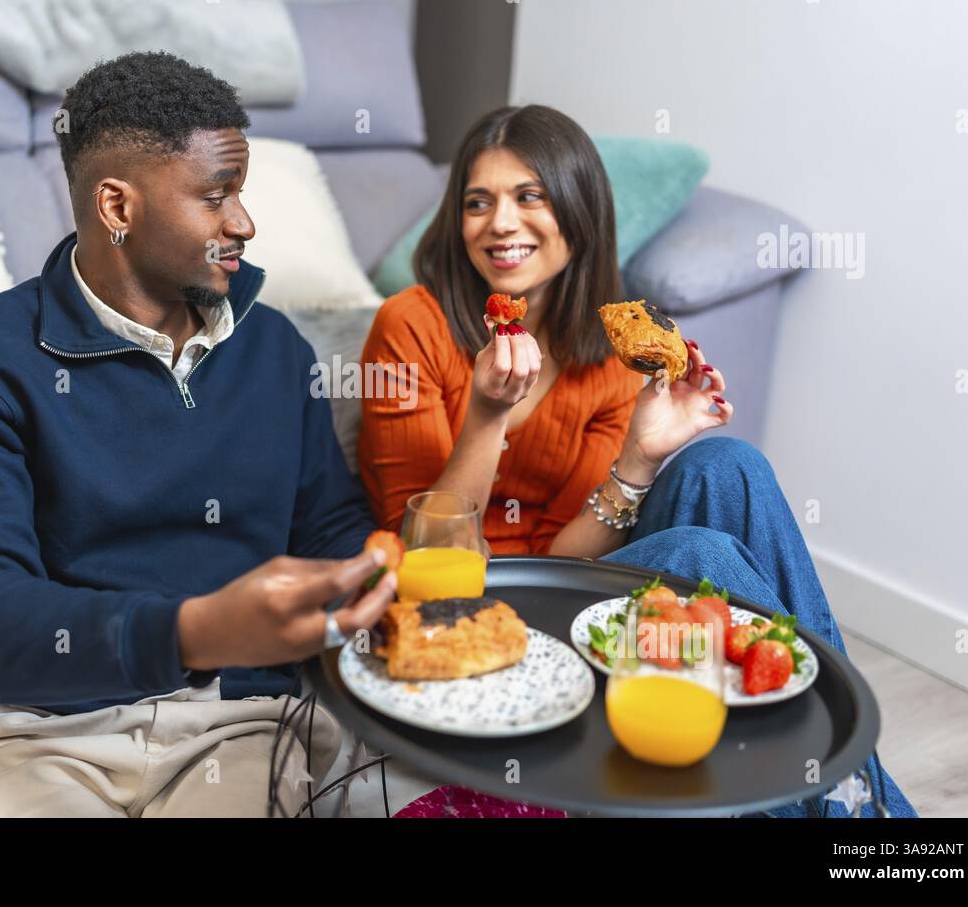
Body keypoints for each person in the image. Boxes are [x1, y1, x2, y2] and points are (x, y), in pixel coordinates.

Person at [357, 104, 915, 818]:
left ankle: (843, 784)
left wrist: (642, 455)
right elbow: (418, 550)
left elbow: (569, 554)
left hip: (570, 579)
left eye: (529, 196)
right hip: (474, 607)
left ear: (579, 213)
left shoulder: (615, 345)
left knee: (728, 466)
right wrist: (488, 418)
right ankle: (870, 820)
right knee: (695, 550)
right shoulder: (410, 326)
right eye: (478, 201)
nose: (500, 222)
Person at [0, 51, 396, 817]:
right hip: (32, 733)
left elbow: (329, 527)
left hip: (240, 722)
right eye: (216, 197)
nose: (244, 224)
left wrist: (381, 584)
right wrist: (190, 632)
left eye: (240, 195)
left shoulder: (275, 348)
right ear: (117, 208)